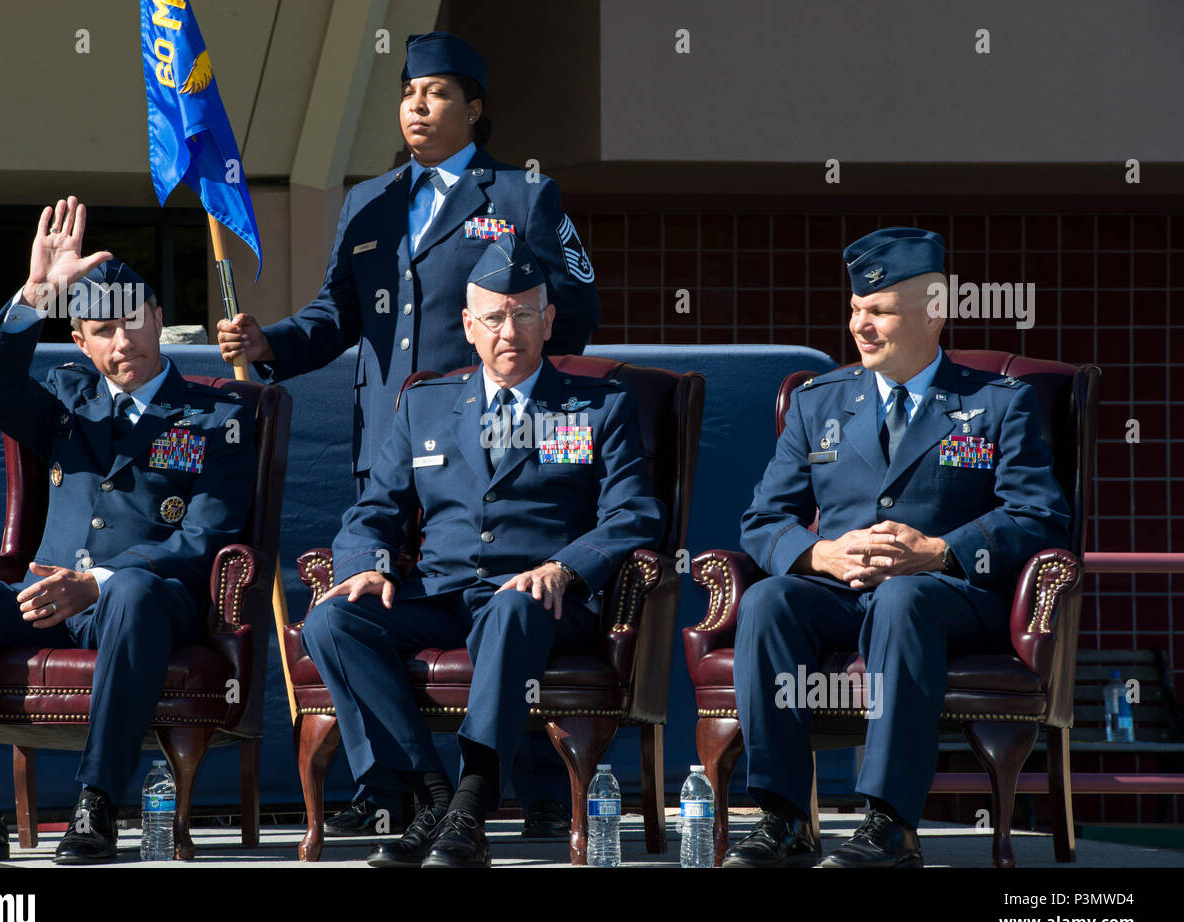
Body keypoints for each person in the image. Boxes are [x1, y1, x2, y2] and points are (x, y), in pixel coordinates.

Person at [219, 31, 596, 837]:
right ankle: (394, 786)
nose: (416, 108)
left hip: (495, 451)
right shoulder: (371, 203)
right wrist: (268, 344)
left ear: (475, 110)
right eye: (407, 94)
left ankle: (522, 782)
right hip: (394, 451)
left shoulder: (524, 196)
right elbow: (335, 317)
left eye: (435, 94)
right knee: (363, 603)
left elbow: (576, 314)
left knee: (499, 594)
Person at [0, 196, 256, 865]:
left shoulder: (216, 415)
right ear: (81, 343)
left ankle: (96, 803)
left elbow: (208, 537)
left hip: (145, 601)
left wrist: (97, 582)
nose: (124, 341)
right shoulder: (64, 399)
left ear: (159, 319)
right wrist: (37, 293)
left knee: (133, 594)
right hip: (43, 596)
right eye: (102, 329)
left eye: (136, 320)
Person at [301, 235, 663, 867]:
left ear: (549, 321)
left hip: (544, 604)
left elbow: (633, 515)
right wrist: (367, 564)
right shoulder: (426, 404)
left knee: (512, 606)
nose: (509, 330)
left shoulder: (601, 408)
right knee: (334, 618)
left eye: (524, 313)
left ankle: (471, 802)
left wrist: (562, 568)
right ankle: (433, 794)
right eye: (494, 316)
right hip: (441, 594)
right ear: (469, 326)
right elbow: (373, 510)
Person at [725, 227, 1070, 868]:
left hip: (948, 597)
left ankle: (890, 825)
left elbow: (1041, 516)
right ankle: (782, 816)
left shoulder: (998, 404)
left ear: (934, 312)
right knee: (770, 601)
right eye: (856, 309)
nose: (861, 325)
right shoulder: (817, 403)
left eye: (879, 311)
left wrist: (939, 551)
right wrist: (818, 555)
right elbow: (763, 518)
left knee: (904, 600)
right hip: (840, 592)